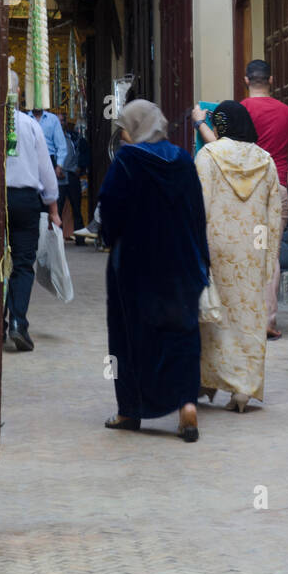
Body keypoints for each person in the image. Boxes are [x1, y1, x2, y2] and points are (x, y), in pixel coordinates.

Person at [99, 100, 209, 443]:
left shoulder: (128, 161)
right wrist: (201, 260)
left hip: (136, 266)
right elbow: (197, 213)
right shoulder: (183, 160)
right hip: (180, 265)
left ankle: (130, 410)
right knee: (183, 333)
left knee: (130, 337)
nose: (124, 134)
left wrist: (110, 239)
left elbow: (110, 210)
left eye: (126, 127)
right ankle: (187, 404)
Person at [192, 59, 288, 340]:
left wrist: (201, 124)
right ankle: (267, 318)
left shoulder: (239, 111)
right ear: (271, 80)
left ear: (246, 80)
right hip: (274, 187)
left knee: (231, 251)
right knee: (269, 251)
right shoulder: (287, 113)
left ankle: (228, 313)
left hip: (235, 193)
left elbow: (222, 148)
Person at [195, 101, 281, 413]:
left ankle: (207, 380)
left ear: (220, 127)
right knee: (248, 318)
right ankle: (243, 391)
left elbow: (197, 206)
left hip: (216, 247)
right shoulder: (267, 161)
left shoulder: (207, 157)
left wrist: (195, 249)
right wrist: (270, 257)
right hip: (253, 251)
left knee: (214, 315)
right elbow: (274, 214)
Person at [5, 108, 61, 351]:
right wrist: (53, 208)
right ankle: (18, 322)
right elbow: (46, 171)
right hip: (25, 200)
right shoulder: (29, 125)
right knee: (22, 263)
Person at [32, 106, 67, 179]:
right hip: (30, 160)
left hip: (49, 160)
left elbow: (61, 145)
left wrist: (59, 165)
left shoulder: (53, 119)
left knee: (49, 189)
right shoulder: (25, 118)